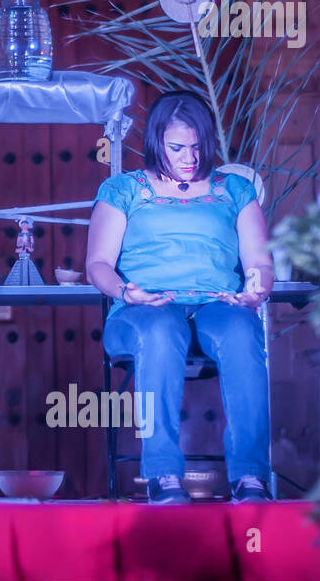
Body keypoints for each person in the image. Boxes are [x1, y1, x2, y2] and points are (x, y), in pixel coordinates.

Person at [85, 90, 274, 503]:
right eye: (176, 148)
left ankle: (251, 477)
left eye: (197, 147)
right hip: (142, 308)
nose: (189, 157)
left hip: (215, 304)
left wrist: (256, 288)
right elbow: (98, 263)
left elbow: (259, 259)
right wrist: (124, 291)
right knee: (158, 331)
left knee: (243, 330)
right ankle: (162, 475)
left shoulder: (236, 190)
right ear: (156, 142)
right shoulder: (122, 190)